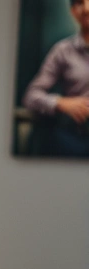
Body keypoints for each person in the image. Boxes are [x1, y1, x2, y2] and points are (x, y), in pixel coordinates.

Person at [22, 0, 89, 156]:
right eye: (80, 3)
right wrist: (60, 103)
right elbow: (31, 96)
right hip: (75, 140)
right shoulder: (62, 51)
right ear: (73, 11)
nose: (87, 8)